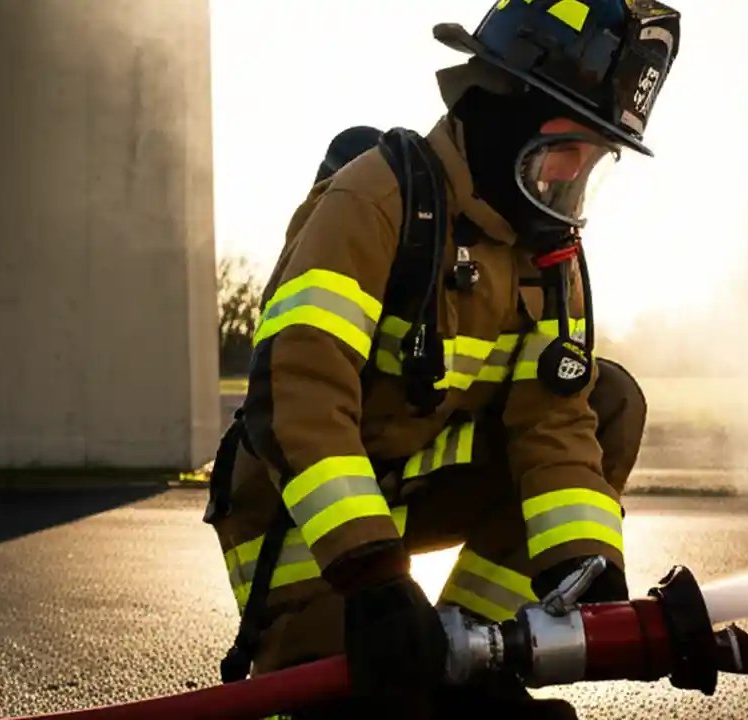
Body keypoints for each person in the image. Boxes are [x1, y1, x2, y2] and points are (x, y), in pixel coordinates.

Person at [209, 1, 680, 717]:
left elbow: (552, 423)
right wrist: (372, 576)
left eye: (594, 158)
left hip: (414, 482)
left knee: (608, 399)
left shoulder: (549, 256)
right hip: (299, 510)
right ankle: (387, 664)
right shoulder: (375, 200)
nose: (572, 177)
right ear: (507, 101)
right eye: (567, 148)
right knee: (353, 698)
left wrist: (588, 570)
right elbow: (298, 394)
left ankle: (474, 658)